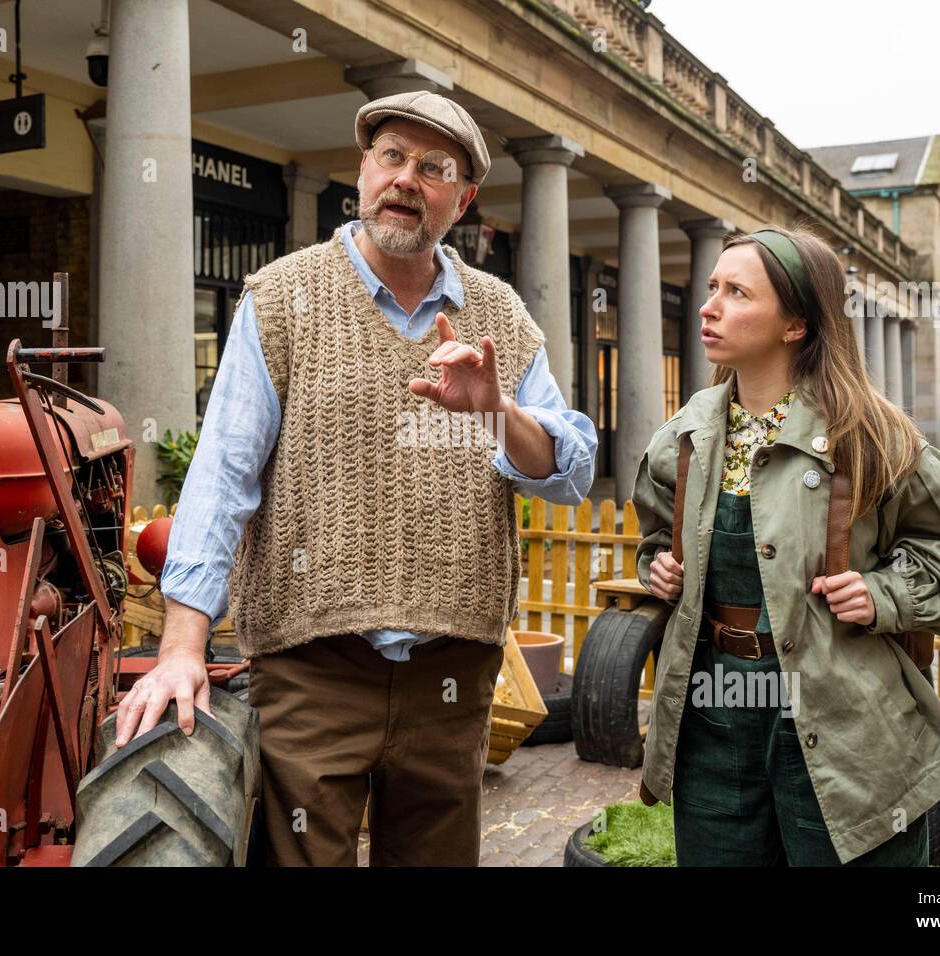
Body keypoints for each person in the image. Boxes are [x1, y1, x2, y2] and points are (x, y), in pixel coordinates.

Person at [113, 91, 597, 866]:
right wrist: (181, 647)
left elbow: (569, 472)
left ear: (463, 198)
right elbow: (221, 476)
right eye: (393, 157)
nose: (407, 179)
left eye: (434, 167)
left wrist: (498, 412)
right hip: (313, 667)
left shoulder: (500, 314)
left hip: (453, 670)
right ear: (364, 170)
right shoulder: (283, 296)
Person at [632, 225, 940, 865]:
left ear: (796, 324)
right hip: (713, 704)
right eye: (712, 287)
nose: (709, 305)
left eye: (737, 292)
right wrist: (661, 568)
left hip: (842, 709)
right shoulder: (685, 435)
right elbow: (660, 534)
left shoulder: (872, 436)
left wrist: (884, 592)